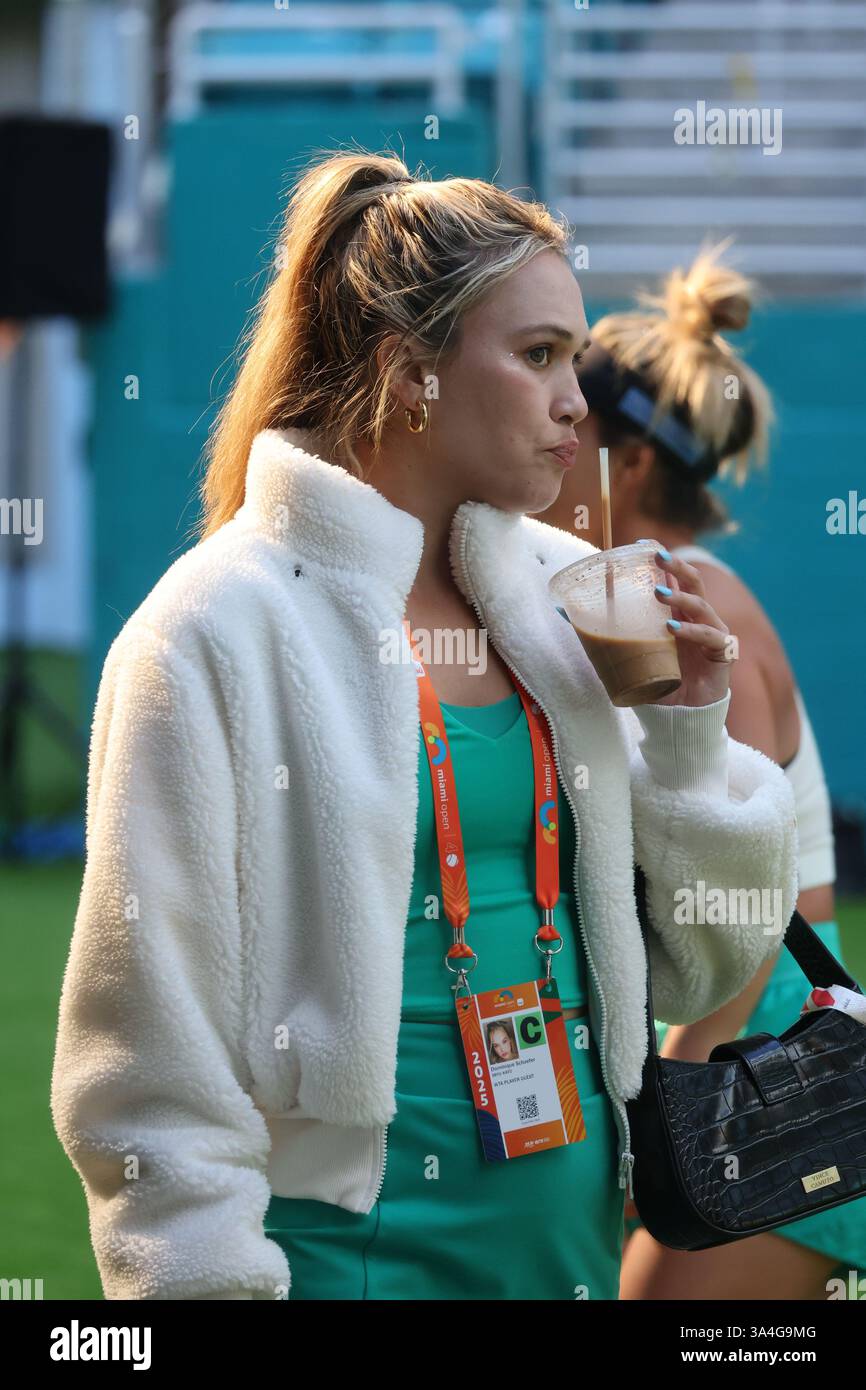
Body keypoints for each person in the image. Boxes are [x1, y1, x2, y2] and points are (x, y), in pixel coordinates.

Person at [49, 156, 798, 1301]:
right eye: (538, 355)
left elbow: (698, 968)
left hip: (568, 1258)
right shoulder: (210, 629)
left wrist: (691, 739)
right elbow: (148, 1060)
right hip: (345, 1264)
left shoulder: (568, 595)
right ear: (411, 377)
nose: (573, 405)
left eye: (575, 360)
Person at [533, 242, 864, 1300]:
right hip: (745, 1058)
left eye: (568, 424)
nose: (544, 437)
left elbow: (747, 903)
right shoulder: (659, 596)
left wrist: (665, 1109)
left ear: (625, 463)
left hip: (765, 1073)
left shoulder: (681, 601)